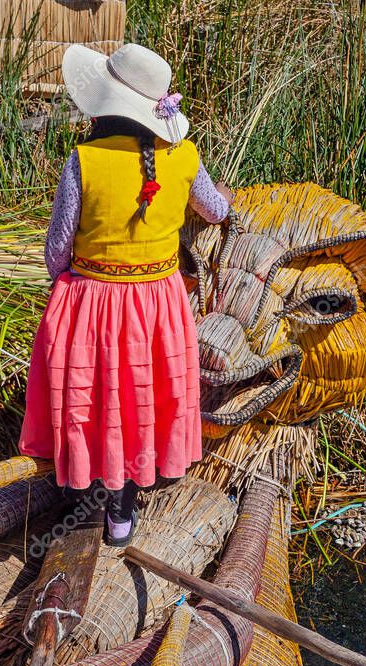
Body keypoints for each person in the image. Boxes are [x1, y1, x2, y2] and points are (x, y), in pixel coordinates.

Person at [19, 43, 231, 547]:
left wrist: (76, 283)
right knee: (138, 401)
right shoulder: (184, 156)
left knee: (90, 397)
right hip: (157, 306)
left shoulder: (84, 160)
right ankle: (121, 513)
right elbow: (216, 210)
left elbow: (56, 251)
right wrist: (220, 198)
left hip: (91, 304)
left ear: (104, 103)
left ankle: (80, 486)